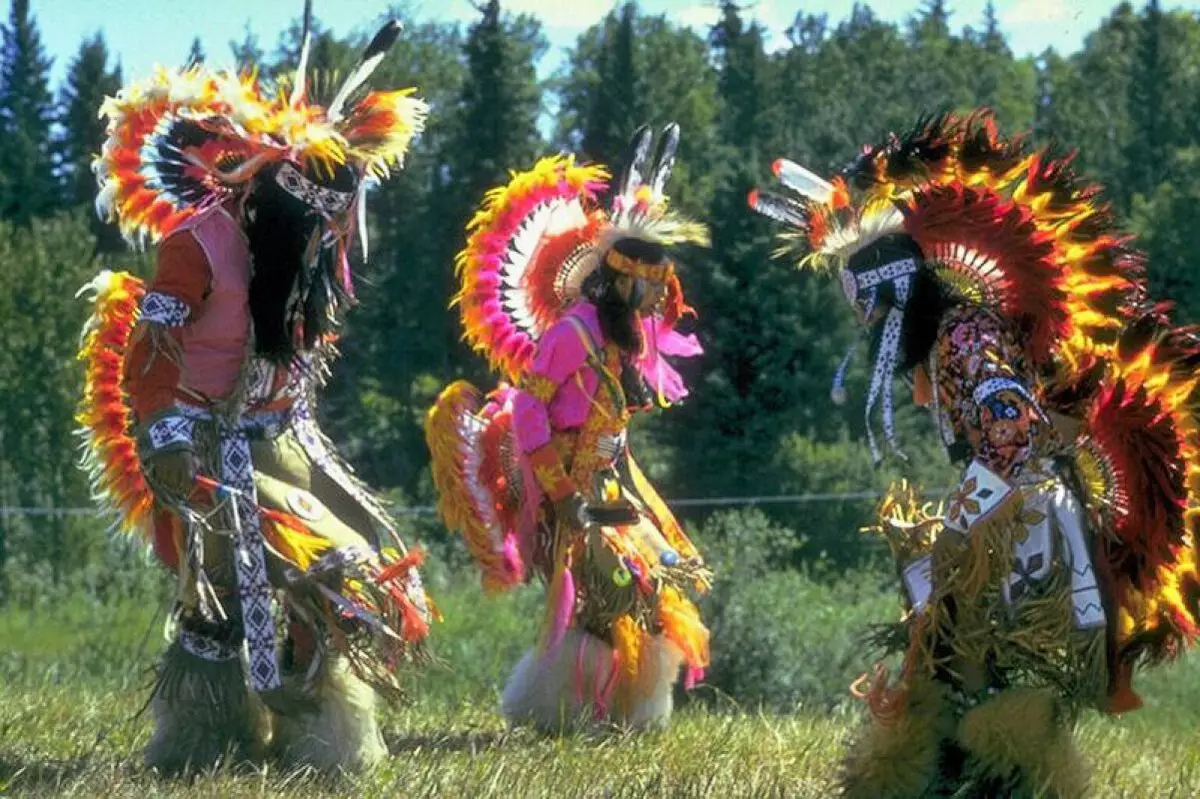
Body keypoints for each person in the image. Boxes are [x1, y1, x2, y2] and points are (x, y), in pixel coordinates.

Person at [751, 110, 1200, 797]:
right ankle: (972, 772)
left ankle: (986, 774)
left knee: (966, 649)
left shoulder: (962, 333)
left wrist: (968, 513)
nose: (872, 330)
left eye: (873, 311)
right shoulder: (954, 334)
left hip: (1019, 516)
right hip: (1015, 509)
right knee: (959, 648)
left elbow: (1011, 419)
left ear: (900, 294)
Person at [77, 17, 432, 774]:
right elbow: (150, 354)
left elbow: (289, 366)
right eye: (311, 221)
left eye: (331, 226)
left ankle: (315, 740)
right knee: (292, 577)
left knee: (362, 565)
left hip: (287, 442)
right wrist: (169, 442)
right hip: (205, 445)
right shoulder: (198, 242)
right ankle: (209, 736)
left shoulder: (302, 260)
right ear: (276, 201)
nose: (324, 239)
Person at [426, 125, 712, 732]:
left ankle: (622, 709)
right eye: (646, 286)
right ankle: (562, 710)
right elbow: (531, 410)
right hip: (570, 488)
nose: (655, 299)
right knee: (605, 593)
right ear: (617, 280)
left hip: (611, 484)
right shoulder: (571, 335)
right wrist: (560, 492)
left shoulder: (615, 340)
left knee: (649, 586)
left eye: (659, 288)